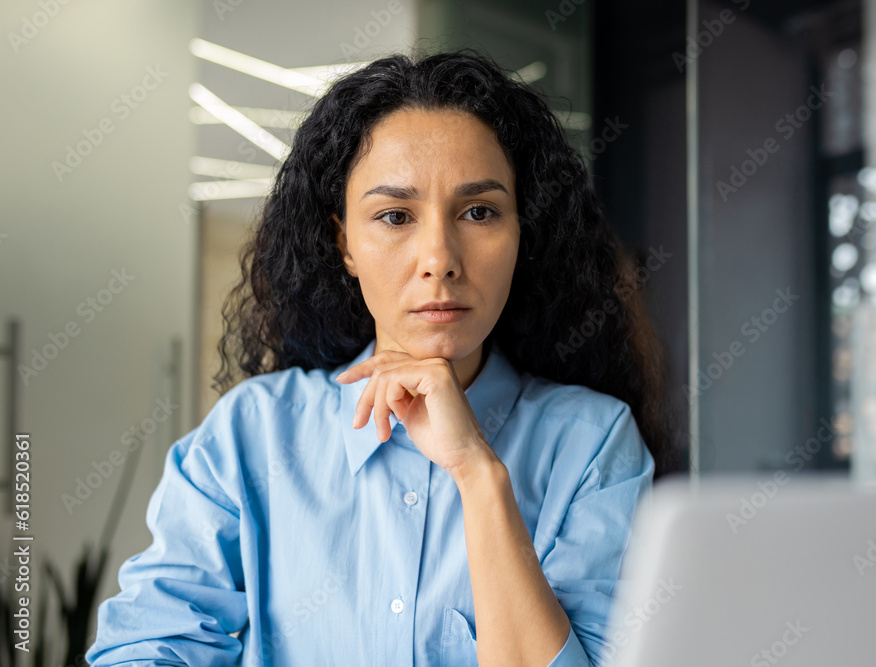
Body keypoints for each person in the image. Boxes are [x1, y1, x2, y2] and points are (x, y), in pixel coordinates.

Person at [86, 47, 680, 666]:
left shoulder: (591, 443)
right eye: (395, 215)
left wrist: (478, 474)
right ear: (343, 243)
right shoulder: (252, 434)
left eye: (479, 212)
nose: (439, 258)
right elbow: (146, 650)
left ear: (522, 233)